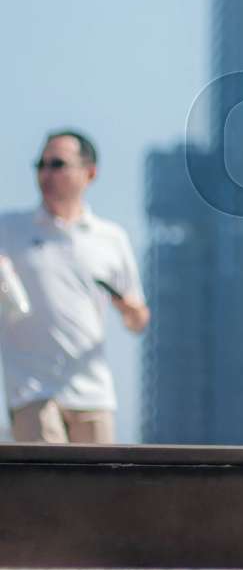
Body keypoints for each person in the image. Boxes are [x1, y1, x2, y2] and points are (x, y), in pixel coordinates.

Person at [0, 131, 149, 444]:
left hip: (93, 393)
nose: (46, 174)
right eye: (40, 165)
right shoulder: (9, 229)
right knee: (48, 476)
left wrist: (130, 310)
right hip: (31, 390)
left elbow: (138, 321)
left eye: (57, 164)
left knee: (99, 477)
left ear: (89, 173)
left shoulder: (111, 238)